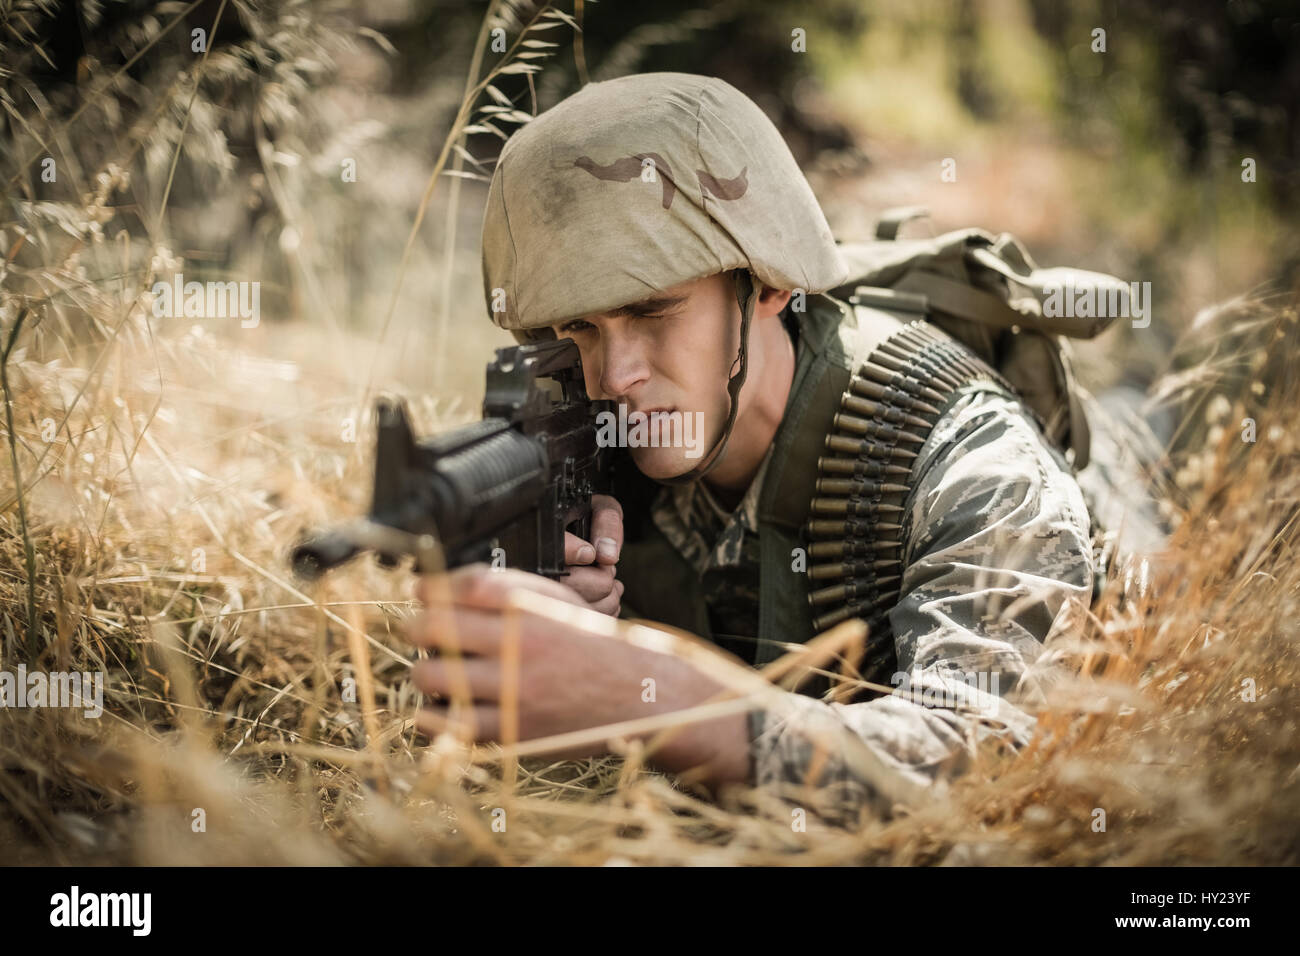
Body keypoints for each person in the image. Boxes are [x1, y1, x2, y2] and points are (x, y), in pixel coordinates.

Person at [403, 72, 1104, 822]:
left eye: (652, 311)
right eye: (578, 329)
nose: (615, 377)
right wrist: (546, 616)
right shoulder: (590, 451)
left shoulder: (975, 469)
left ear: (767, 286)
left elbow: (981, 771)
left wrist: (646, 696)